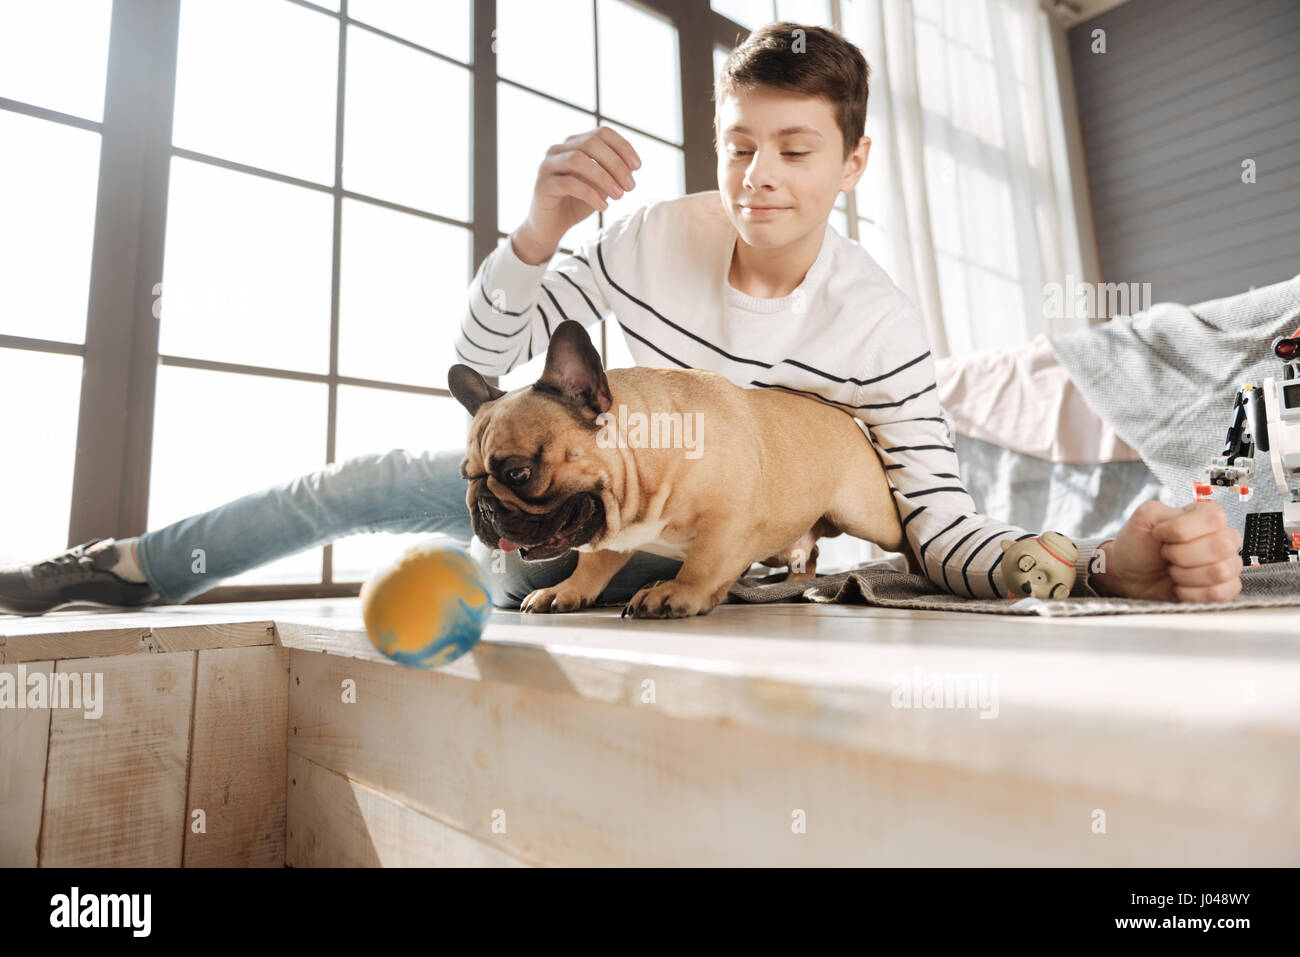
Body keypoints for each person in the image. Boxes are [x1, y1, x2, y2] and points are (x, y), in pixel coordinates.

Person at [0, 23, 1241, 618]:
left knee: (546, 593)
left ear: (853, 163)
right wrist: (536, 232)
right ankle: (126, 566)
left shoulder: (878, 328)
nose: (757, 174)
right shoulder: (650, 238)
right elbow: (486, 379)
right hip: (556, 487)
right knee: (359, 479)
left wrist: (1080, 569)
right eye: (739, 142)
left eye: (794, 150)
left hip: (684, 538)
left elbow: (932, 518)